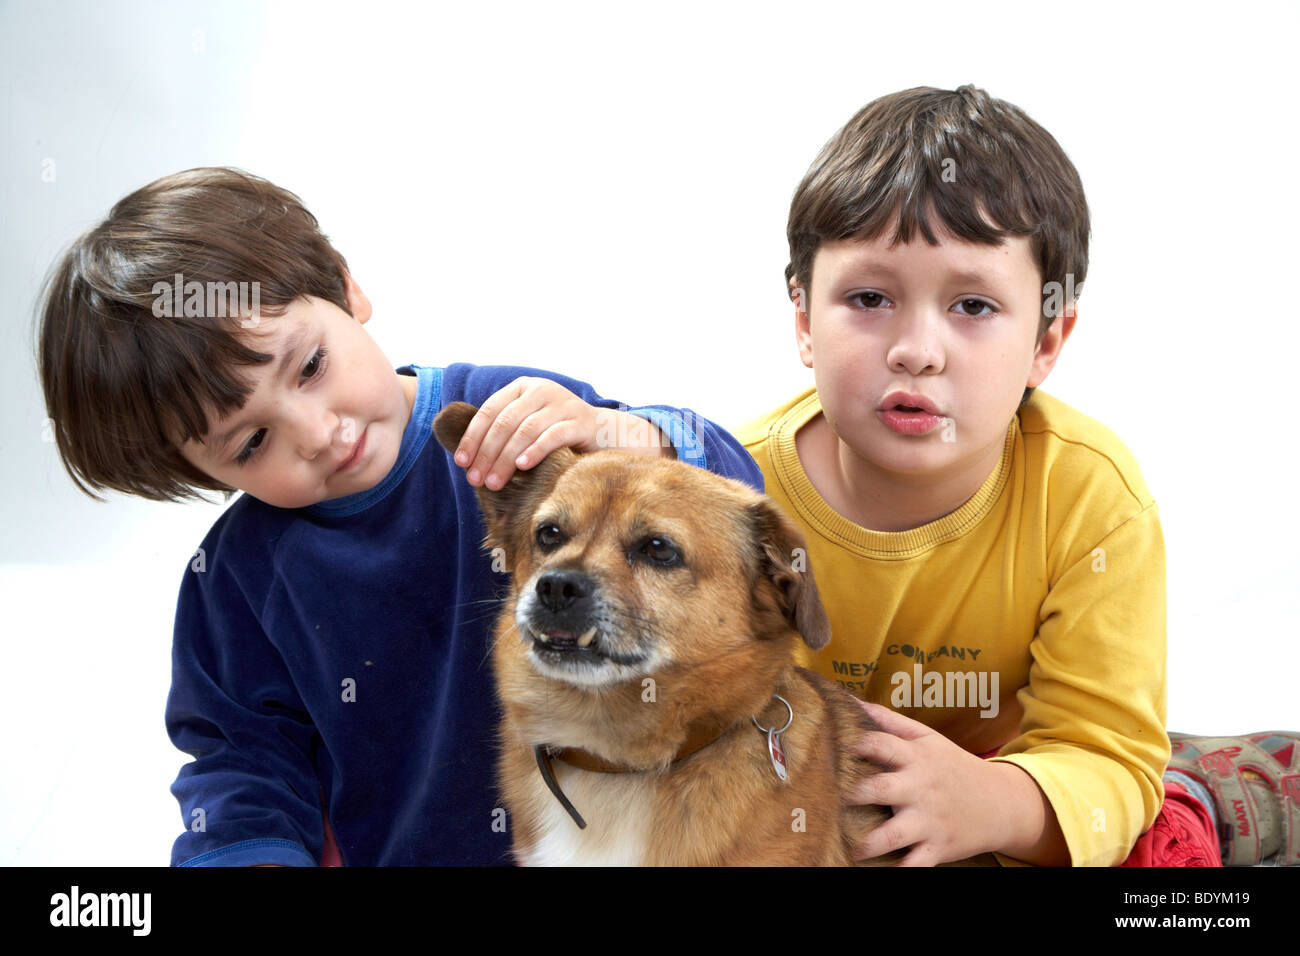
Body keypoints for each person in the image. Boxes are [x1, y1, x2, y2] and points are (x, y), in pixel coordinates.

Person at [35, 167, 763, 865]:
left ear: (347, 289)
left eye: (311, 367)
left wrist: (626, 433)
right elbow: (242, 763)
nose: (319, 433)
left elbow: (737, 506)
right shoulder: (239, 579)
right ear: (196, 471)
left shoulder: (510, 422)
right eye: (253, 442)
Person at [735, 85, 1297, 867]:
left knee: (1149, 830)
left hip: (1020, 787)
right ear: (803, 318)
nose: (917, 350)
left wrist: (993, 804)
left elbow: (1099, 751)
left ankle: (1219, 787)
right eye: (869, 298)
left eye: (971, 305)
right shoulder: (735, 494)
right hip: (819, 819)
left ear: (1047, 339)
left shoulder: (1089, 497)